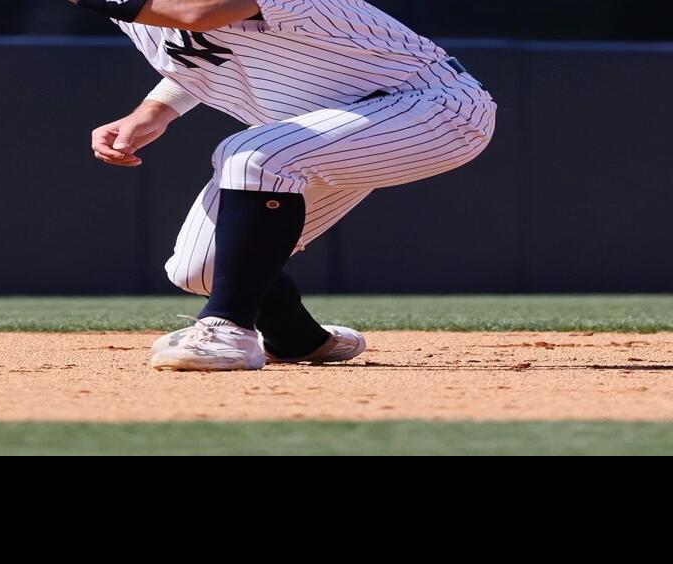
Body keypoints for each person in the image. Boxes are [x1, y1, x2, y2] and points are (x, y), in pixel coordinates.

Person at [70, 0, 496, 371]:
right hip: (325, 130)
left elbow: (201, 13)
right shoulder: (139, 9)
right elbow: (205, 53)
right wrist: (154, 111)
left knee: (254, 156)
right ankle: (297, 338)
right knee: (201, 270)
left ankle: (227, 328)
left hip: (432, 107)